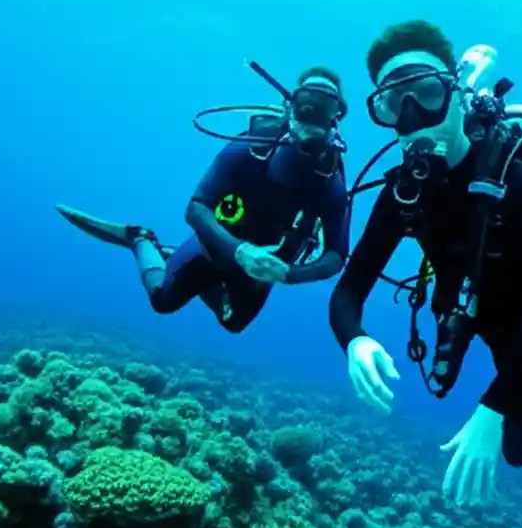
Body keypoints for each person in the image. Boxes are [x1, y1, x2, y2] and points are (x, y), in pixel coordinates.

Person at [328, 20, 522, 505]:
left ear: (457, 94)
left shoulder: (514, 177)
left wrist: (493, 408)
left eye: (427, 93)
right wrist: (355, 340)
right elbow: (349, 291)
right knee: (520, 406)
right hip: (476, 305)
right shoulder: (403, 193)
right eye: (394, 103)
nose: (413, 114)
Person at [57, 67, 352, 333]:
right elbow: (196, 208)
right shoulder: (246, 151)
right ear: (289, 107)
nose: (313, 117)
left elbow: (336, 255)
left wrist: (290, 275)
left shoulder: (331, 184)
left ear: (335, 118)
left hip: (263, 271)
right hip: (212, 249)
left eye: (325, 107)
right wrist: (240, 252)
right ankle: (140, 238)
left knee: (235, 324)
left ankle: (184, 263)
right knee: (162, 301)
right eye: (307, 104)